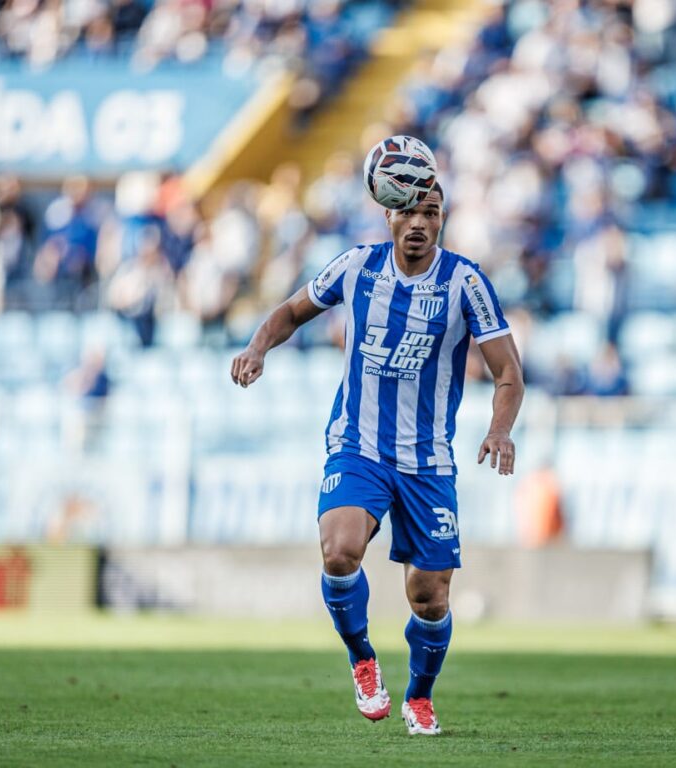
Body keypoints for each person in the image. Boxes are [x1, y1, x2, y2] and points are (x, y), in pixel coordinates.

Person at [230, 182, 524, 736]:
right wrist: (256, 347)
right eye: (409, 211)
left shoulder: (466, 282)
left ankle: (419, 695)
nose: (419, 222)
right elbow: (291, 311)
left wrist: (500, 430)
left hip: (428, 462)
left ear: (442, 222)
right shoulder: (356, 267)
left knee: (429, 597)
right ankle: (362, 659)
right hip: (357, 445)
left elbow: (508, 371)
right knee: (339, 552)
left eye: (431, 213)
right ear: (389, 217)